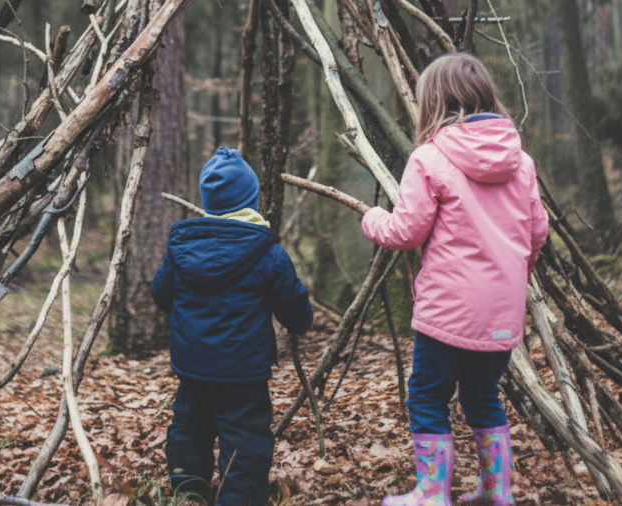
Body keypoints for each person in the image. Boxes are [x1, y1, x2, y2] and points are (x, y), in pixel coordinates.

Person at [360, 53, 549, 506]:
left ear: (434, 102)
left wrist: (372, 219)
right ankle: (496, 490)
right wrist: (517, 271)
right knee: (484, 395)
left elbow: (407, 232)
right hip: (503, 312)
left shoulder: (429, 157)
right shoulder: (520, 162)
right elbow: (536, 230)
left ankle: (431, 493)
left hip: (449, 311)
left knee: (426, 396)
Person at [151, 146, 313, 506]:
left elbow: (161, 295)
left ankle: (188, 493)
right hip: (244, 372)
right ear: (251, 199)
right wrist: (302, 321)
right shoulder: (267, 252)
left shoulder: (183, 248)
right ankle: (237, 499)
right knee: (245, 437)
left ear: (207, 202)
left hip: (192, 366)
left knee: (190, 428)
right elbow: (294, 307)